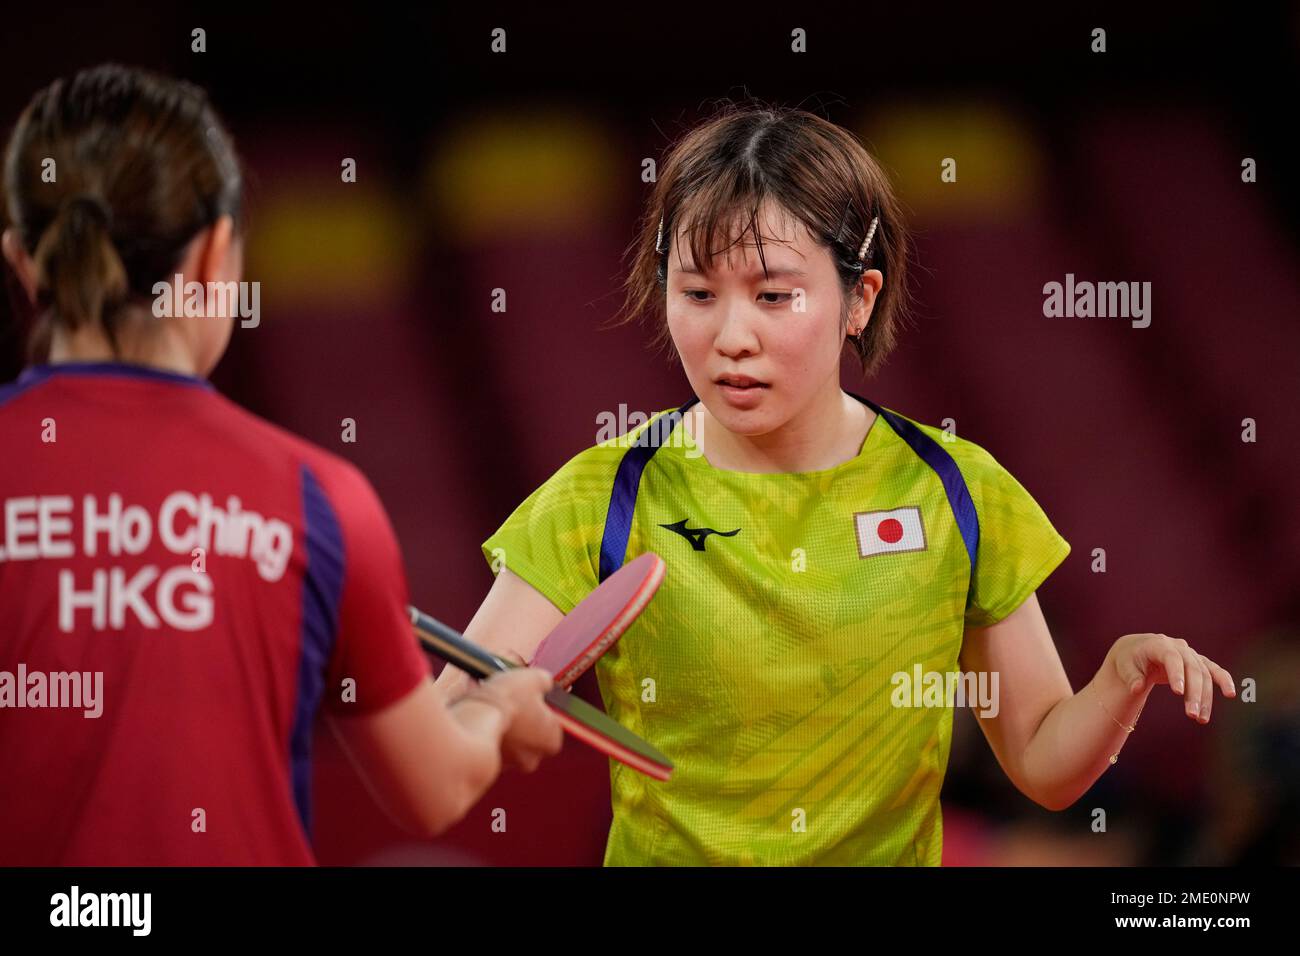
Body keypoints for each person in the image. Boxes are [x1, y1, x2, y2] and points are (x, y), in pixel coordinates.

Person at [436, 102, 1236, 865]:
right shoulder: (601, 496)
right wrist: (489, 717)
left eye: (774, 294)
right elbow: (450, 722)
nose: (732, 337)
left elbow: (1043, 763)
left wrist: (1121, 681)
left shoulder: (955, 488)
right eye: (698, 294)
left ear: (860, 297)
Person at [0, 63, 562, 866]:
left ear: (23, 264)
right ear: (213, 256)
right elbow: (433, 787)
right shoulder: (317, 500)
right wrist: (497, 708)